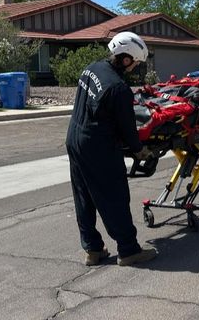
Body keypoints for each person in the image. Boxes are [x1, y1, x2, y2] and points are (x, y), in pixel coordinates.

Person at [66, 31, 157, 266]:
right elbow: (127, 128)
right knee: (114, 196)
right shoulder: (118, 88)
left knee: (83, 196)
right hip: (98, 146)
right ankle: (128, 250)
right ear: (126, 59)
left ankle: (93, 250)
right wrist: (140, 150)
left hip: (74, 138)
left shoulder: (91, 68)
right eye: (135, 62)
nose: (135, 67)